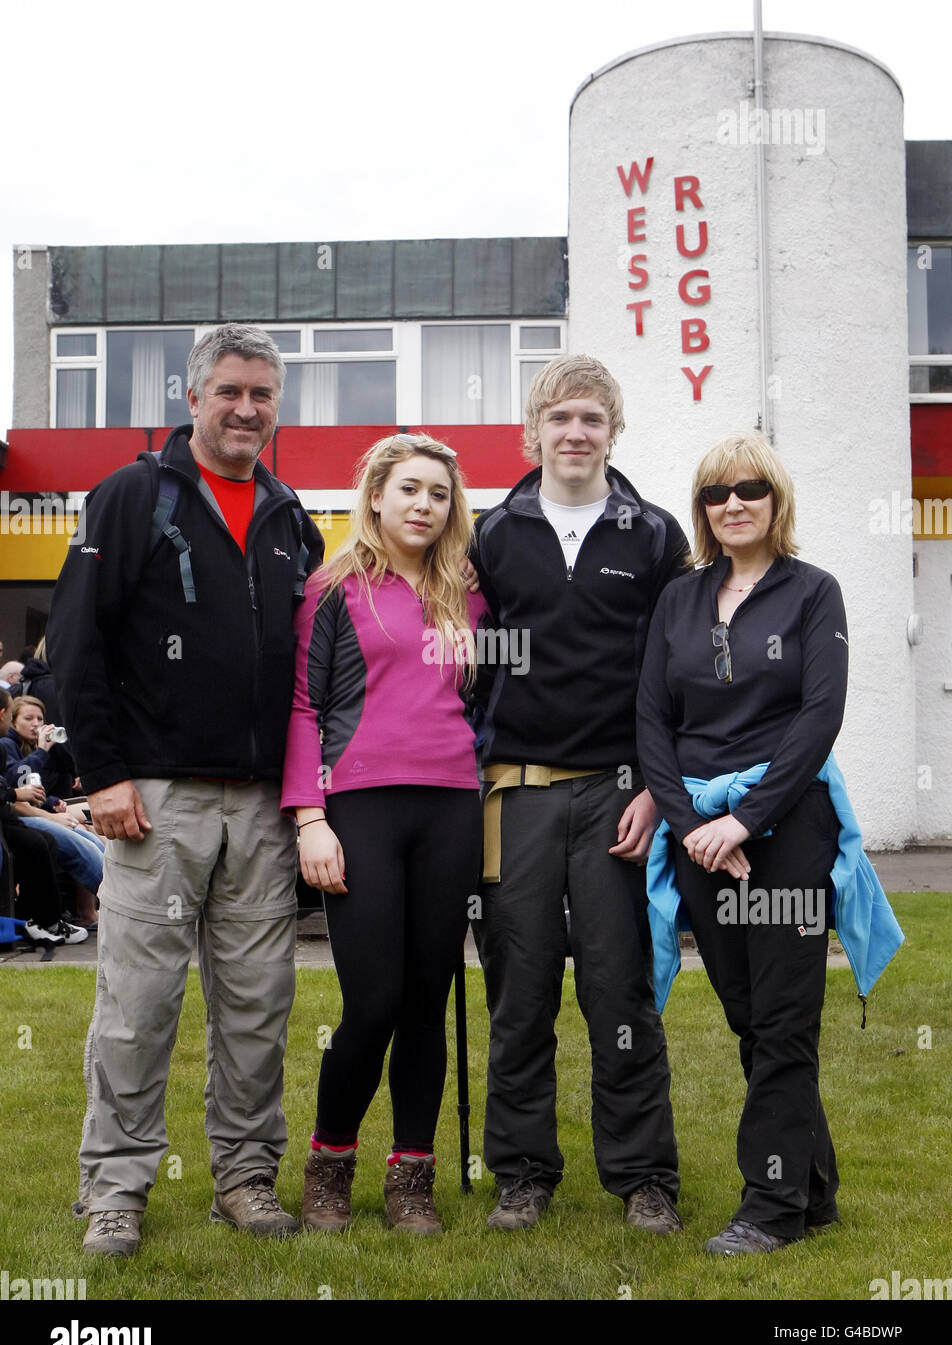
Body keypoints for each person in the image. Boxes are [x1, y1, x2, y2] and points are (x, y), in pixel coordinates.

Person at [47, 323, 324, 1258]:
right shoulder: (131, 496)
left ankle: (245, 1179)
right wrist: (106, 774)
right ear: (194, 398)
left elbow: (309, 675)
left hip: (261, 805)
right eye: (230, 392)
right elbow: (76, 646)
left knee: (259, 1003)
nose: (246, 409)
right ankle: (115, 1189)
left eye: (262, 395)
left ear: (277, 407)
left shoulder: (291, 516)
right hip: (155, 799)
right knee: (138, 1005)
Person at [636, 431, 868, 1255]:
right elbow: (653, 721)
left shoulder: (814, 592)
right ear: (702, 511)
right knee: (749, 1017)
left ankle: (770, 1206)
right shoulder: (680, 599)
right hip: (702, 835)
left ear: (776, 501)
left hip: (789, 827)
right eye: (715, 493)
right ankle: (815, 1191)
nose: (732, 504)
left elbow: (819, 715)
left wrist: (750, 817)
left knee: (784, 1018)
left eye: (749, 489)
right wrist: (694, 824)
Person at [470, 355, 686, 1232]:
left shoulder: (657, 535)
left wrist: (658, 793)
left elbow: (674, 679)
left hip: (618, 795)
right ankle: (522, 1172)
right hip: (512, 795)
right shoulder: (491, 533)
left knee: (618, 988)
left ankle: (643, 1178)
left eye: (592, 420)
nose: (575, 434)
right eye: (559, 419)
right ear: (535, 431)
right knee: (516, 990)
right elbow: (467, 669)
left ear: (614, 431)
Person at [282, 432, 484, 1235]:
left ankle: (412, 1179)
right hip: (357, 807)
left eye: (438, 494)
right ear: (375, 496)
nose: (424, 505)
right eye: (410, 489)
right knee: (372, 1000)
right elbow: (302, 705)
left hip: (451, 807)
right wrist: (309, 817)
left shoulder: (468, 593)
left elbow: (488, 701)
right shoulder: (332, 587)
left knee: (427, 999)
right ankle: (329, 1165)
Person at [2, 693, 103, 927]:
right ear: (12, 719)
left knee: (88, 836)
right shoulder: (7, 744)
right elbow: (15, 781)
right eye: (28, 718)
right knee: (79, 838)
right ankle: (115, 900)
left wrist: (52, 802)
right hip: (14, 819)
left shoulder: (24, 746)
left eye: (40, 718)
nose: (36, 723)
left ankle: (98, 907)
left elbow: (34, 791)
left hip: (27, 814)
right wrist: (42, 751)